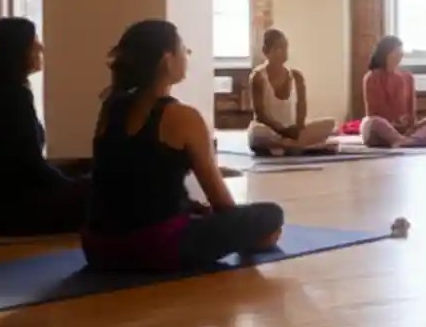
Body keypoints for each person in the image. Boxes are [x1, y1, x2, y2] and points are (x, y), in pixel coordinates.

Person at [82, 20, 284, 271]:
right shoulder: (184, 117)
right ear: (167, 60)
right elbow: (223, 205)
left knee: (197, 213)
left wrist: (191, 209)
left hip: (98, 247)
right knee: (271, 216)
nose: (187, 55)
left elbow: (129, 181)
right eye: (183, 49)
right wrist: (240, 228)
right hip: (154, 248)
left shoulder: (110, 108)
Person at [0, 17, 88, 235]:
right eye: (34, 41)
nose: (40, 47)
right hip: (8, 209)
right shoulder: (11, 97)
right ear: (16, 51)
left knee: (87, 169)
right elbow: (31, 167)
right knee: (104, 190)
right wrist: (73, 185)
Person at [247, 29, 336, 155]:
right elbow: (260, 115)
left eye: (285, 47)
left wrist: (298, 128)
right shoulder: (258, 77)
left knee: (329, 124)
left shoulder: (296, 76)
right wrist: (281, 129)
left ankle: (288, 146)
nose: (282, 52)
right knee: (257, 132)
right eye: (277, 48)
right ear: (266, 52)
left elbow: (301, 109)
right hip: (271, 130)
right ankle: (303, 147)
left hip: (291, 131)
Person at [360, 35, 426, 148]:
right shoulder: (372, 77)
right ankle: (403, 141)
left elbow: (411, 113)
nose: (400, 55)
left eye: (400, 51)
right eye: (396, 51)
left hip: (405, 131)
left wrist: (409, 125)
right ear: (385, 53)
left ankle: (409, 141)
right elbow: (373, 112)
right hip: (380, 132)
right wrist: (395, 122)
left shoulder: (407, 77)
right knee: (372, 122)